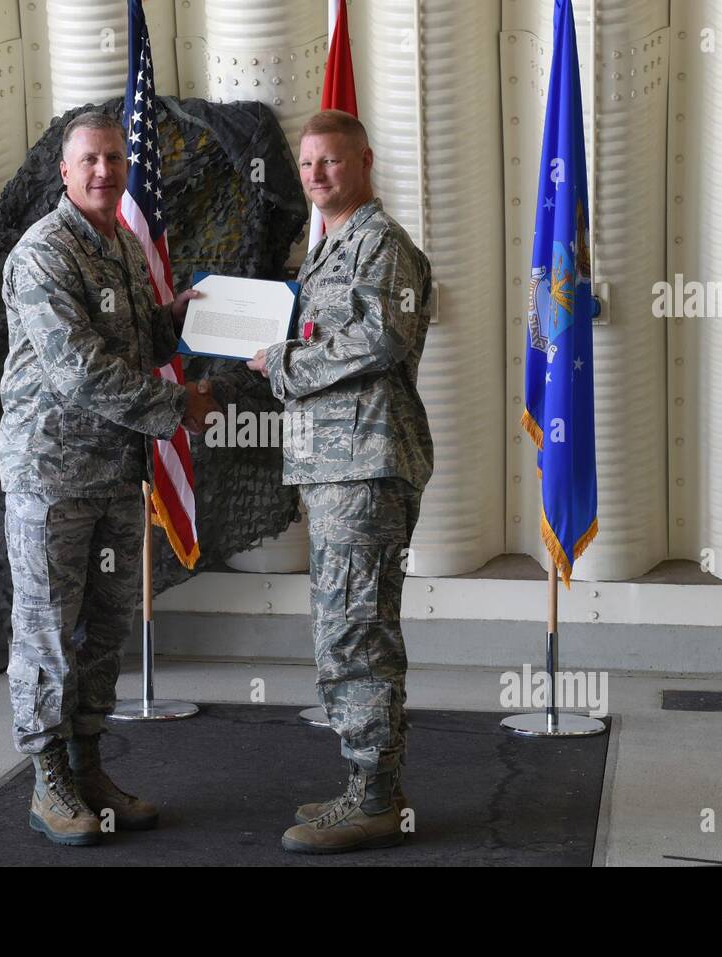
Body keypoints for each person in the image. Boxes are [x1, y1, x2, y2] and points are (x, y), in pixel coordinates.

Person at [0, 110, 218, 846]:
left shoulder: (121, 242)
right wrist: (174, 406)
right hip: (52, 474)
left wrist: (179, 317)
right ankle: (47, 779)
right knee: (48, 631)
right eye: (90, 160)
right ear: (64, 171)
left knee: (105, 629)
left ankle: (90, 763)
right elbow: (78, 368)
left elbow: (130, 339)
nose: (104, 172)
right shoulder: (43, 252)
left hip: (116, 470)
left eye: (115, 160)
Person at [247, 109, 434, 854]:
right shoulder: (328, 251)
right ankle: (367, 782)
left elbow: (384, 337)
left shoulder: (378, 245)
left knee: (356, 629)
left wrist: (285, 362)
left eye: (331, 160)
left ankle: (376, 798)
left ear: (364, 161)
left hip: (366, 467)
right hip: (335, 467)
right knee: (342, 626)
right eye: (307, 164)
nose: (317, 174)